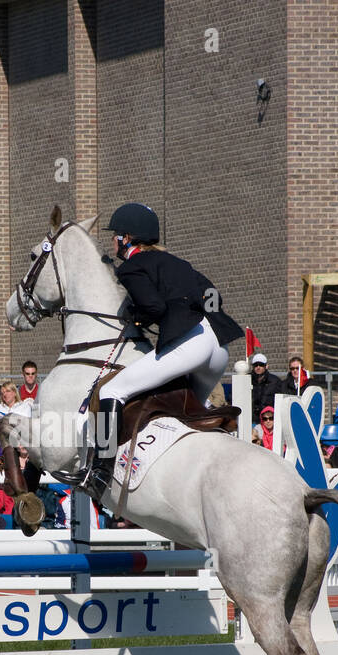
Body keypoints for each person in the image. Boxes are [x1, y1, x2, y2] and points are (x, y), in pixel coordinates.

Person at [88, 202, 244, 498]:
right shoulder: (179, 263)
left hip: (191, 345)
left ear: (126, 238)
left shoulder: (131, 267)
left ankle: (101, 472)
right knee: (188, 410)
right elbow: (214, 294)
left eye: (115, 235)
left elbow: (153, 306)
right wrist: (187, 310)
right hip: (218, 346)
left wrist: (138, 317)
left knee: (111, 392)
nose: (113, 240)